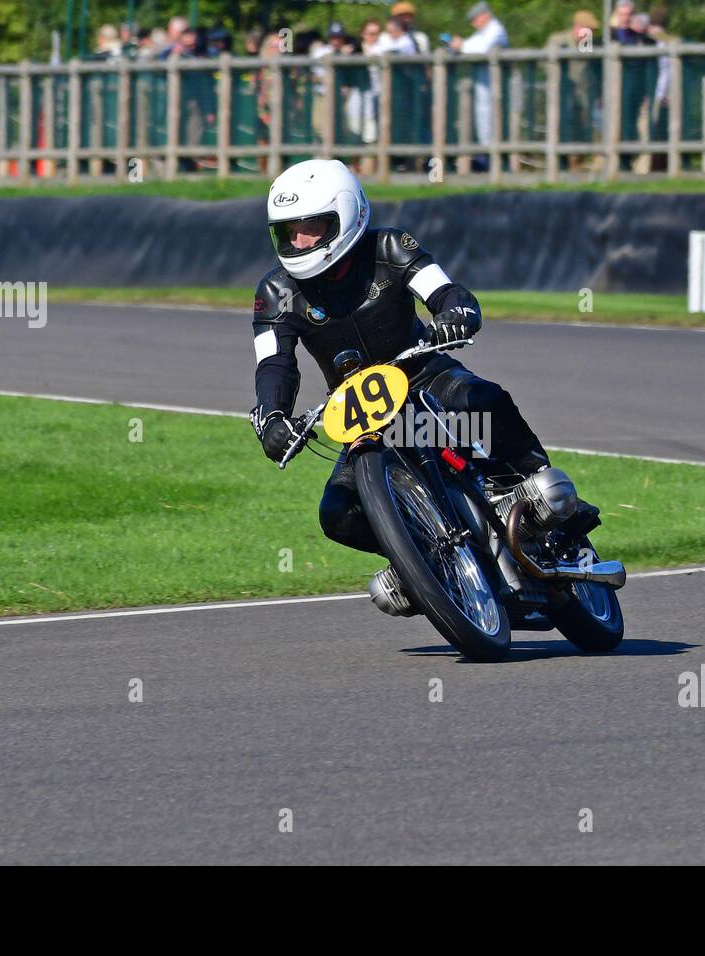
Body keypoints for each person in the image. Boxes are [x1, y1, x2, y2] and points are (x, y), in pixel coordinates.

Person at [250, 160, 564, 611]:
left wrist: (456, 313)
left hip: (425, 374)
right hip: (359, 412)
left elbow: (444, 291)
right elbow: (274, 364)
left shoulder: (390, 247)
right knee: (336, 513)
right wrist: (273, 417)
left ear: (346, 214)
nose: (299, 242)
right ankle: (427, 556)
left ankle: (538, 496)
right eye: (288, 232)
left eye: (311, 228)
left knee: (484, 400)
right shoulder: (275, 292)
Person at [451, 2, 509, 172]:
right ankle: (485, 158)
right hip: (485, 87)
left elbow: (482, 48)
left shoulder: (496, 30)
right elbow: (471, 44)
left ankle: (495, 163)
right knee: (484, 122)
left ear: (485, 15)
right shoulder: (483, 33)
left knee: (494, 123)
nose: (473, 23)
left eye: (474, 19)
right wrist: (458, 46)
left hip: (498, 88)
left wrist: (461, 46)